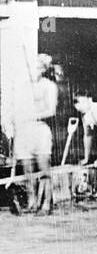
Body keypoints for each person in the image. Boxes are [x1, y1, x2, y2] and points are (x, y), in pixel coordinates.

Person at [14, 55, 59, 213]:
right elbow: (18, 108)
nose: (34, 71)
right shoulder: (24, 86)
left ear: (44, 70)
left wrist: (35, 114)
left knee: (43, 168)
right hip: (24, 131)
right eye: (32, 67)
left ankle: (46, 203)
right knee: (27, 168)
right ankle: (32, 202)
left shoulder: (49, 86)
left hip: (40, 130)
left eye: (38, 68)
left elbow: (51, 110)